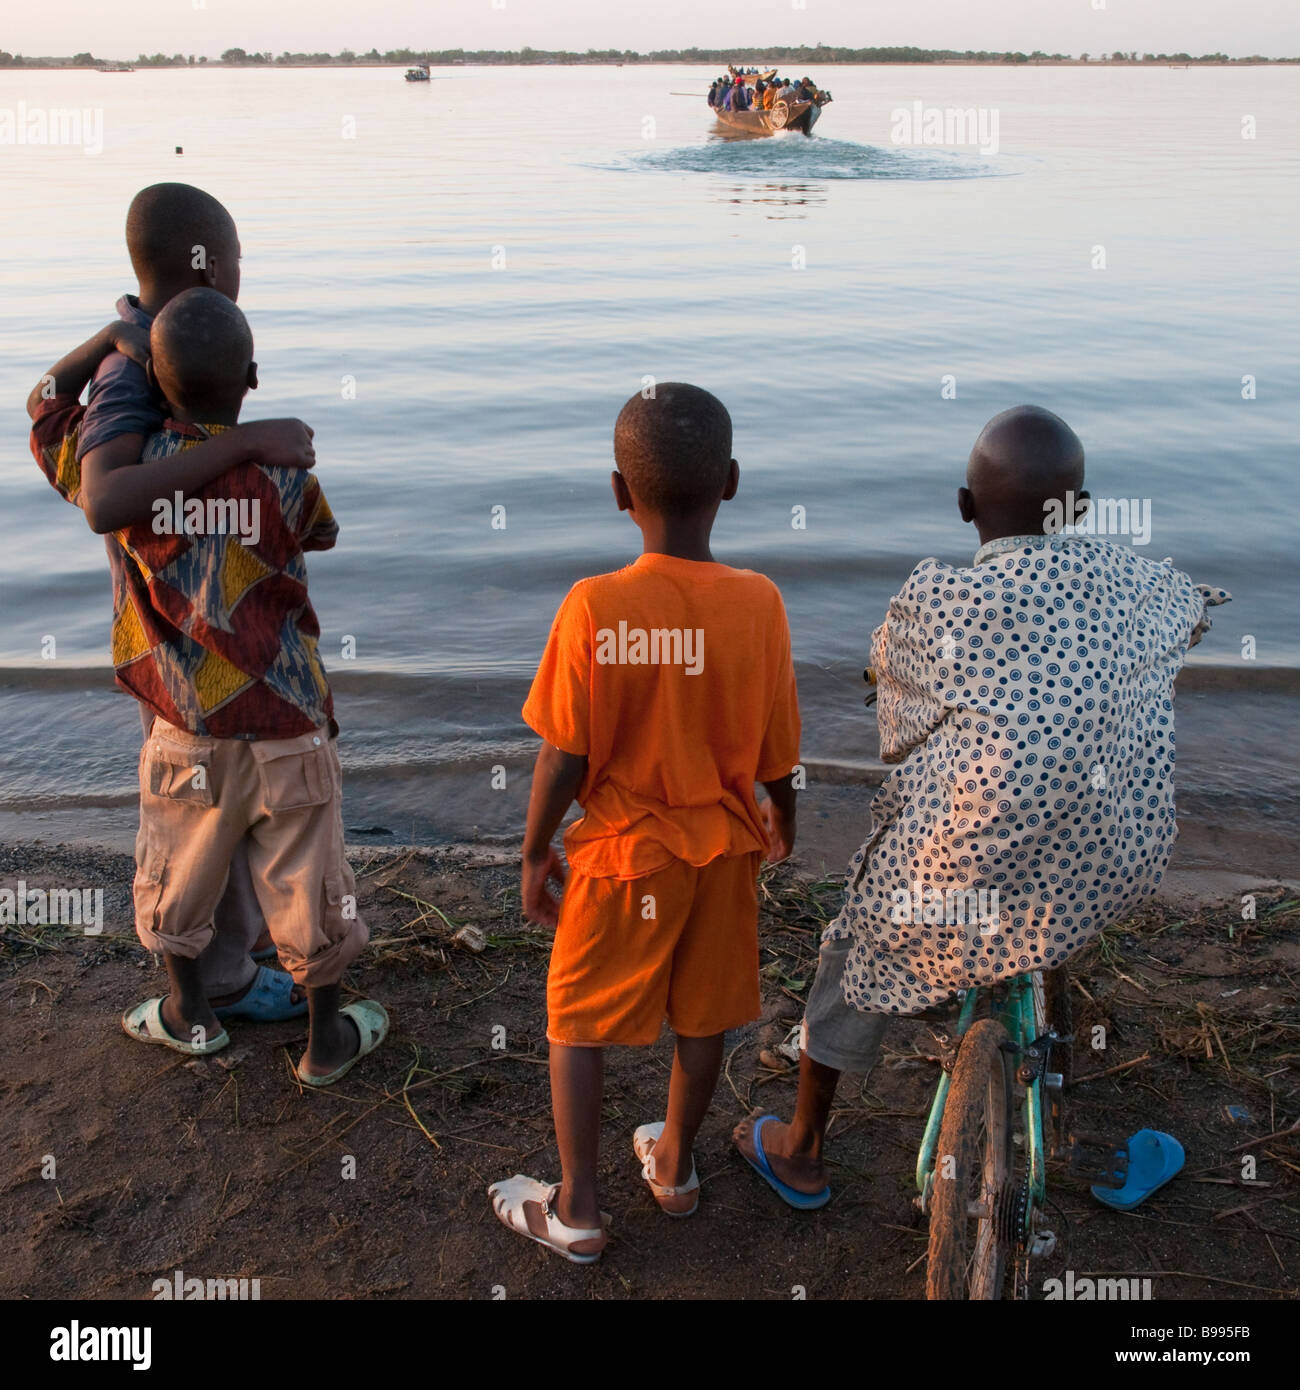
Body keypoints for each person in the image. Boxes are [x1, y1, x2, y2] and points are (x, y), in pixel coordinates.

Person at [733, 405, 1229, 1208]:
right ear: (1079, 508)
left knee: (857, 943)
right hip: (1111, 857)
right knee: (1055, 889)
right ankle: (1064, 1119)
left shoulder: (938, 601)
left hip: (958, 872)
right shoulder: (1137, 584)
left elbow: (898, 731)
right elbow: (1194, 609)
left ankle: (801, 1147)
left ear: (966, 506)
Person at [29, 289, 388, 1085]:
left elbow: (46, 408)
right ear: (252, 377)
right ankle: (324, 1043)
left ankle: (192, 1016)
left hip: (185, 722)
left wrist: (112, 344)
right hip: (287, 716)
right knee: (311, 878)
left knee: (177, 870)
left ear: (156, 377)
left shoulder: (125, 477)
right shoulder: (281, 473)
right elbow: (320, 533)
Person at [488, 383, 801, 1262]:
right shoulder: (761, 602)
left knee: (575, 1021)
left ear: (619, 492)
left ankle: (579, 1208)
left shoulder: (595, 606)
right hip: (724, 856)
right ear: (731, 483)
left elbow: (564, 757)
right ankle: (673, 1165)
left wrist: (534, 850)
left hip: (626, 860)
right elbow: (777, 756)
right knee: (704, 1018)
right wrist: (786, 816)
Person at [27, 182, 317, 1027]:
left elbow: (42, 404)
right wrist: (249, 441)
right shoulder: (131, 377)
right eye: (234, 256)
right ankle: (225, 981)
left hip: (198, 644)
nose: (239, 270)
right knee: (200, 821)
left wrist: (110, 332)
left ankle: (238, 952)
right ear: (207, 267)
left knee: (213, 806)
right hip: (183, 649)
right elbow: (104, 499)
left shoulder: (148, 349)